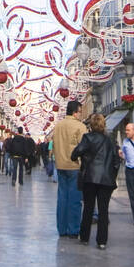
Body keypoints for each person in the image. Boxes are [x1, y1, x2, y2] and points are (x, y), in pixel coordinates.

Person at [71, 113, 119, 248]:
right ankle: (102, 241)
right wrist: (111, 175)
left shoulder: (87, 138)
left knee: (88, 208)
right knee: (104, 210)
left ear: (91, 125)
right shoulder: (110, 140)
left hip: (90, 178)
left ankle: (85, 237)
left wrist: (78, 160)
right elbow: (116, 161)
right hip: (106, 180)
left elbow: (75, 153)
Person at [51, 101, 87, 238]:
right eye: (80, 112)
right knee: (75, 199)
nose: (81, 115)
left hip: (60, 165)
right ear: (75, 112)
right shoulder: (80, 126)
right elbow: (84, 147)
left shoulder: (58, 126)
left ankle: (62, 228)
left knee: (62, 197)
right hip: (74, 166)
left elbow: (53, 145)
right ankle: (73, 229)